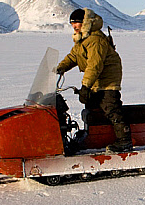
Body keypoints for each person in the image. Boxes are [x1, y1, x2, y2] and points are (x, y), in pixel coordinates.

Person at [56, 8, 132, 153]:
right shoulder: (83, 39)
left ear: (85, 22)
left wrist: (85, 86)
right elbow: (73, 57)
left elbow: (94, 65)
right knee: (92, 108)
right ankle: (95, 138)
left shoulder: (95, 40)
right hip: (97, 80)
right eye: (72, 23)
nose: (74, 26)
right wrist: (59, 68)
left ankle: (125, 141)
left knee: (111, 108)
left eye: (77, 22)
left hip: (108, 80)